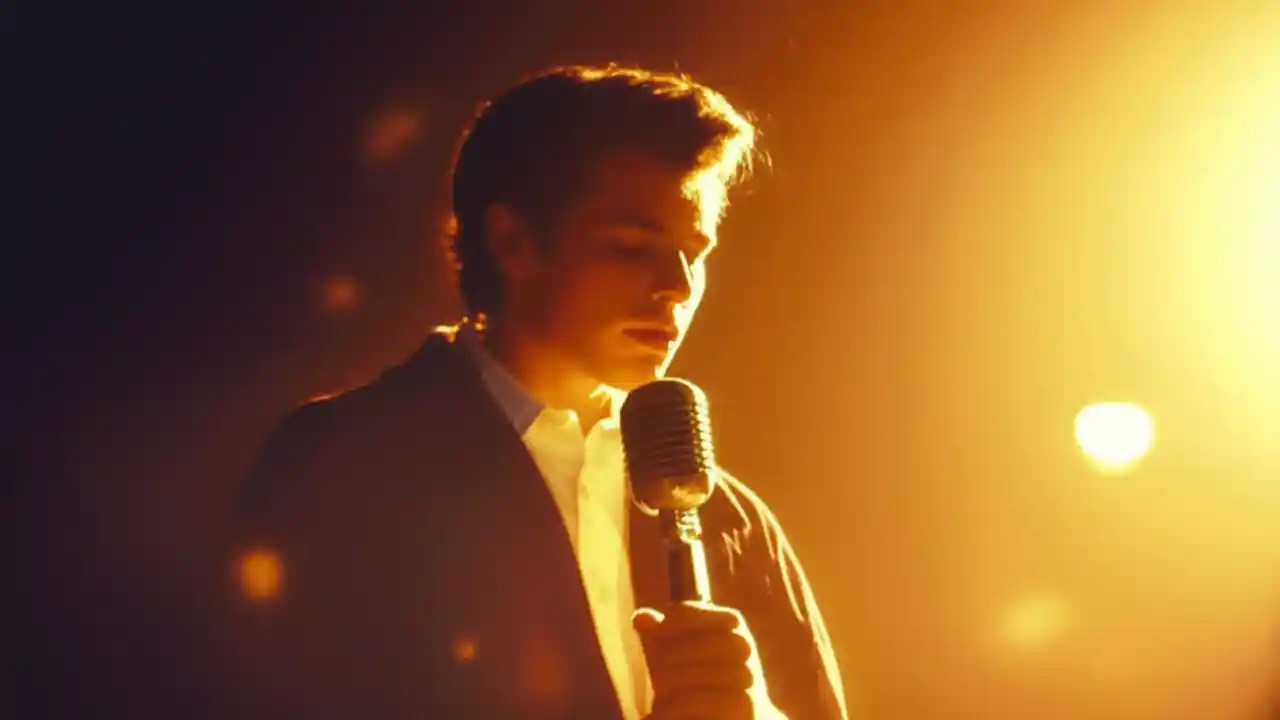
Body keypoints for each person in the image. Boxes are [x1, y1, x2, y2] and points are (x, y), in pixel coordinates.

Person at [223, 65, 847, 719]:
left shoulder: (731, 520)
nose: (678, 285)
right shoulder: (339, 469)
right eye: (631, 247)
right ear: (512, 241)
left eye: (696, 251)